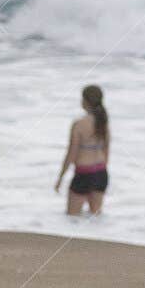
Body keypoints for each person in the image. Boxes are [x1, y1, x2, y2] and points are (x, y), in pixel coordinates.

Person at [55, 85, 109, 215]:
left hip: (83, 173)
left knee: (72, 217)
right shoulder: (103, 123)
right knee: (95, 217)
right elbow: (106, 150)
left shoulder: (79, 124)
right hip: (101, 172)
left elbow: (71, 154)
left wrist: (61, 177)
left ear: (85, 101)